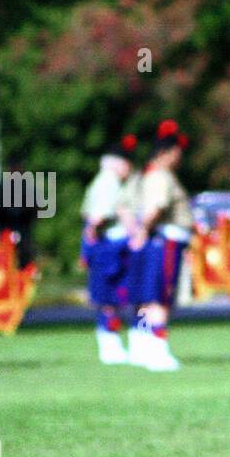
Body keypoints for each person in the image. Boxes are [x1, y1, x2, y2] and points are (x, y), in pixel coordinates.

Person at [127, 120, 193, 371]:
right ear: (166, 152)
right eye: (177, 152)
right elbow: (156, 209)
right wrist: (142, 230)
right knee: (159, 297)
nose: (180, 157)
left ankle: (141, 344)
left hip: (158, 241)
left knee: (148, 297)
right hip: (166, 242)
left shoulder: (150, 174)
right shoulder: (160, 175)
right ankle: (157, 350)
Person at [81, 134, 137, 364]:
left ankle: (111, 343)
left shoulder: (102, 181)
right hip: (110, 249)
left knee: (112, 300)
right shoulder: (109, 182)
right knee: (112, 300)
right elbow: (97, 218)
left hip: (107, 247)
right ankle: (110, 346)